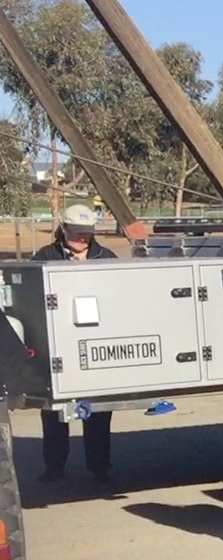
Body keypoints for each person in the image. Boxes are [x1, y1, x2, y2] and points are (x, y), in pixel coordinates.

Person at [31, 205, 115, 482]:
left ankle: (100, 468)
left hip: (96, 346)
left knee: (98, 413)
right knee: (54, 414)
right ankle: (54, 468)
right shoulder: (44, 257)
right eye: (76, 232)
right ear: (63, 229)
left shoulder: (106, 258)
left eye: (87, 233)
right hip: (57, 347)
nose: (82, 238)